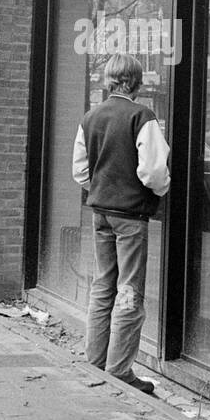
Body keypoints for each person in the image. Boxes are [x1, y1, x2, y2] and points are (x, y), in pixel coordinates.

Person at [72, 53, 170, 395]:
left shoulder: (90, 116)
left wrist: (101, 188)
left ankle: (95, 360)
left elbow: (80, 171)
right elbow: (153, 171)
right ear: (134, 83)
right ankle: (120, 370)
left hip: (100, 212)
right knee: (129, 289)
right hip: (131, 216)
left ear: (110, 81)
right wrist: (162, 189)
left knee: (103, 285)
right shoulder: (142, 116)